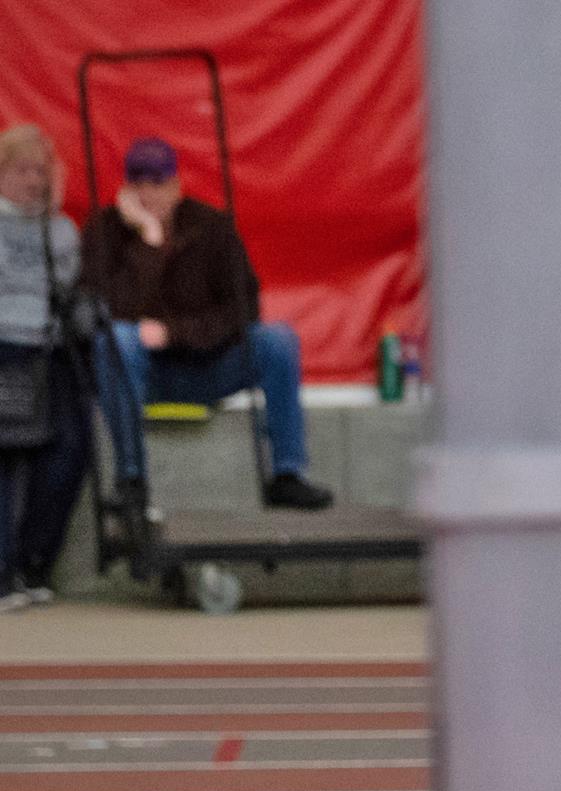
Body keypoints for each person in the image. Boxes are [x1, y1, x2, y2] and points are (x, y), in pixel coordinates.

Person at [81, 137, 332, 511]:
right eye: (139, 183)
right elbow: (107, 310)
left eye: (158, 182)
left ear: (177, 186)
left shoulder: (212, 227)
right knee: (117, 338)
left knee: (278, 340)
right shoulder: (104, 230)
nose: (149, 193)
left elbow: (244, 306)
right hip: (141, 376)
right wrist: (149, 238)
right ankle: (131, 478)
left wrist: (173, 333)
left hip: (206, 367)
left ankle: (287, 474)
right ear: (126, 188)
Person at [0, 124, 91, 610]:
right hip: (7, 350)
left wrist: (50, 213)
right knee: (8, 456)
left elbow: (70, 290)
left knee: (70, 450)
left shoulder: (61, 230)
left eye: (41, 171)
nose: (32, 181)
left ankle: (36, 561)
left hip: (51, 352)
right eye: (21, 171)